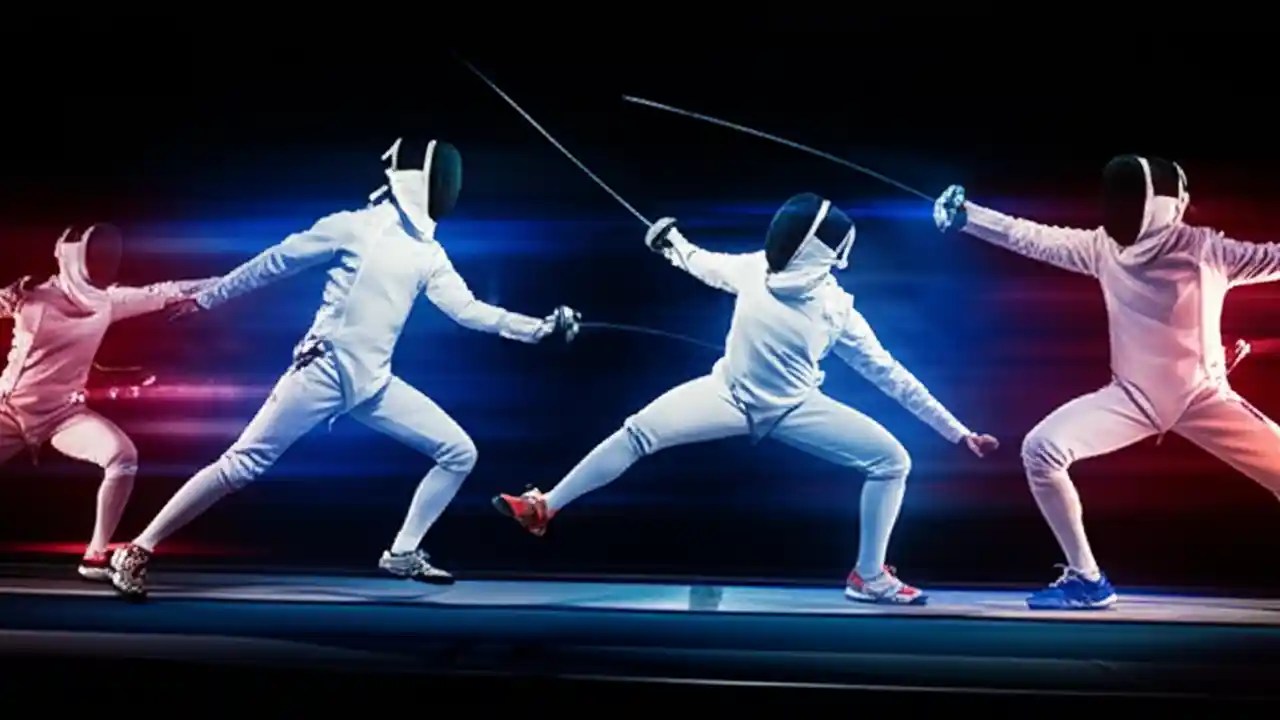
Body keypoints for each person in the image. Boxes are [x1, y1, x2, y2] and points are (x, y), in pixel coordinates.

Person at [108, 138, 579, 599]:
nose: (450, 190)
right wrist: (208, 298)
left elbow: (469, 310)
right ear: (418, 179)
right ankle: (137, 548)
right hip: (323, 372)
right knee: (240, 466)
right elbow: (276, 261)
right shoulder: (355, 226)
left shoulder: (428, 253)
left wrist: (538, 328)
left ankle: (402, 552)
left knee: (459, 453)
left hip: (373, 383)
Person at [494, 193, 997, 605]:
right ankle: (544, 507)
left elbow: (892, 376)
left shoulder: (836, 310)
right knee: (637, 432)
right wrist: (672, 243)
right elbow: (704, 264)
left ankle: (868, 576)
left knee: (892, 461)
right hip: (727, 393)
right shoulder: (755, 268)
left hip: (796, 409)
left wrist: (958, 432)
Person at [934, 154, 1280, 610]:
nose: (1119, 209)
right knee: (1042, 449)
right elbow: (1032, 236)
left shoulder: (1206, 251)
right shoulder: (1103, 248)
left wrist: (968, 217)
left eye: (1129, 198)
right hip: (1133, 397)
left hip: (1203, 398)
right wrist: (969, 217)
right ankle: (1088, 579)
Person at [0, 224, 210, 580]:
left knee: (121, 455)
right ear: (71, 255)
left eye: (108, 257)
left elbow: (166, 291)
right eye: (95, 256)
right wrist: (7, 297)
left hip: (62, 415)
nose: (104, 264)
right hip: (9, 411)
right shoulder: (31, 296)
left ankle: (95, 556)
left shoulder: (107, 301)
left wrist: (239, 279)